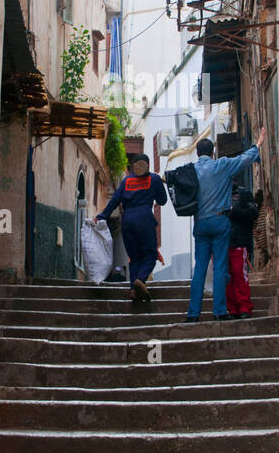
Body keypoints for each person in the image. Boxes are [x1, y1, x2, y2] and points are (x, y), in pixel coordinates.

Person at [186, 128, 265, 322]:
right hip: (220, 221)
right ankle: (219, 311)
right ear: (213, 152)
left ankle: (193, 314)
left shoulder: (191, 170)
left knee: (200, 269)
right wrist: (257, 145)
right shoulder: (221, 165)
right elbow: (244, 159)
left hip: (200, 223)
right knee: (221, 267)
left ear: (197, 154)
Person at [96, 153, 167, 300]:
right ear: (147, 165)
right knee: (150, 255)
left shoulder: (126, 181)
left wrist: (101, 216)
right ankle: (140, 280)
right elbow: (162, 200)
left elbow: (114, 200)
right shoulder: (154, 179)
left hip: (127, 220)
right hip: (145, 219)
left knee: (134, 258)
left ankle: (133, 291)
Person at [227, 185, 261, 319]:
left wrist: (234, 211)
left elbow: (254, 213)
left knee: (240, 275)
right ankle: (232, 309)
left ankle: (244, 307)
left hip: (239, 242)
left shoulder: (243, 193)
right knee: (227, 278)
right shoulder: (217, 192)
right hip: (223, 242)